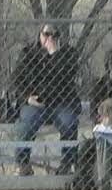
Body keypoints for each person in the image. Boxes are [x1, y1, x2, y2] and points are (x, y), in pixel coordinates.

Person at [11, 23, 82, 176]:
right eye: (46, 34)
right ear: (40, 34)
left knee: (69, 123)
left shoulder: (68, 53)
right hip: (36, 103)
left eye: (54, 35)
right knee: (26, 124)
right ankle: (23, 164)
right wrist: (27, 98)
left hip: (61, 102)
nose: (50, 38)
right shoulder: (28, 53)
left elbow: (68, 76)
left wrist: (54, 54)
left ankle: (67, 164)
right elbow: (16, 80)